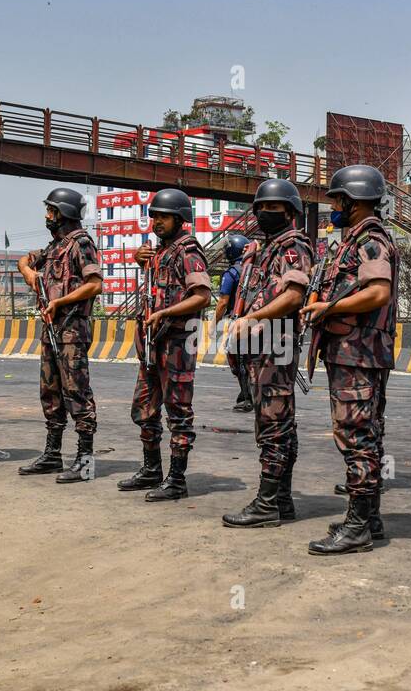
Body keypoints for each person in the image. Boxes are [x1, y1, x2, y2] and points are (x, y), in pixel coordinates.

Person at [301, 165, 398, 555]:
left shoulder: (370, 242)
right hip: (353, 353)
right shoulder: (354, 240)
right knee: (365, 436)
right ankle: (368, 519)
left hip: (359, 354)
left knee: (356, 437)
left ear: (354, 202)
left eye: (338, 199)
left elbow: (377, 292)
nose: (334, 206)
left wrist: (328, 307)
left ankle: (358, 526)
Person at [221, 179, 312, 528]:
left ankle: (268, 504)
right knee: (278, 426)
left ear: (289, 212)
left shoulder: (293, 247)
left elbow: (293, 296)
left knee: (274, 426)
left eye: (271, 208)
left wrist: (253, 317)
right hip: (262, 346)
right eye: (260, 207)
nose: (263, 213)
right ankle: (283, 501)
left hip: (276, 344)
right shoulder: (267, 248)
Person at [117, 188, 211, 500]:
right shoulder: (160, 251)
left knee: (178, 413)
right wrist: (139, 258)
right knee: (144, 410)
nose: (157, 221)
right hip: (152, 347)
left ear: (180, 218)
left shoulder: (188, 252)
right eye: (154, 216)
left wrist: (165, 313)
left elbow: (202, 296)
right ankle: (152, 470)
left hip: (177, 346)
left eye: (164, 216)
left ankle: (177, 479)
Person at [16, 187, 103, 482]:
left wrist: (59, 302)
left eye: (51, 211)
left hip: (72, 330)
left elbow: (94, 284)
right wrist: (29, 274)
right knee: (50, 392)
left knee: (77, 393)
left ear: (64, 212)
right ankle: (53, 455)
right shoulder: (55, 247)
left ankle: (85, 460)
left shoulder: (81, 243)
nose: (46, 216)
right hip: (53, 328)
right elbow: (24, 262)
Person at [216, 233, 254, 412]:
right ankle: (248, 393)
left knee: (238, 360)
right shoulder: (253, 269)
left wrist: (214, 323)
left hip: (238, 320)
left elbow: (223, 302)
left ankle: (247, 397)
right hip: (256, 319)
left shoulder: (231, 273)